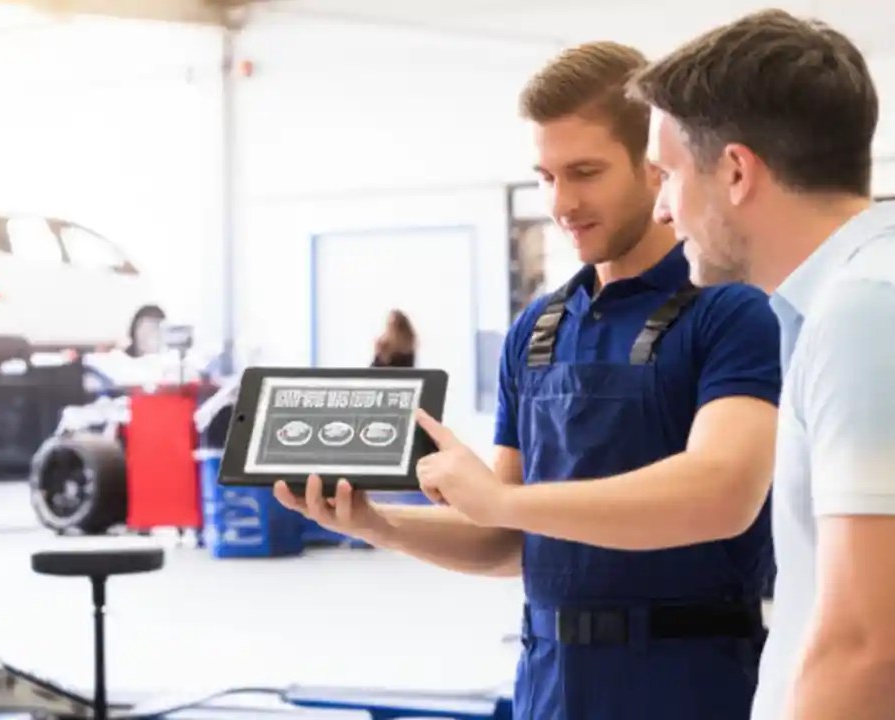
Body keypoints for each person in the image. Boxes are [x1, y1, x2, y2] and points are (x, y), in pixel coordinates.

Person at [275, 41, 783, 719]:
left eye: (584, 172)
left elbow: (721, 493)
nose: (561, 203)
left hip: (691, 687)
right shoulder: (536, 333)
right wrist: (376, 524)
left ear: (654, 168)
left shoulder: (731, 314)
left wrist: (500, 502)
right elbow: (502, 540)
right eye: (545, 176)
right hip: (548, 685)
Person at [629, 9, 895, 720]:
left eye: (668, 174)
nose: (663, 208)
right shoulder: (884, 297)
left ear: (736, 171)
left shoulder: (872, 313)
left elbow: (866, 645)